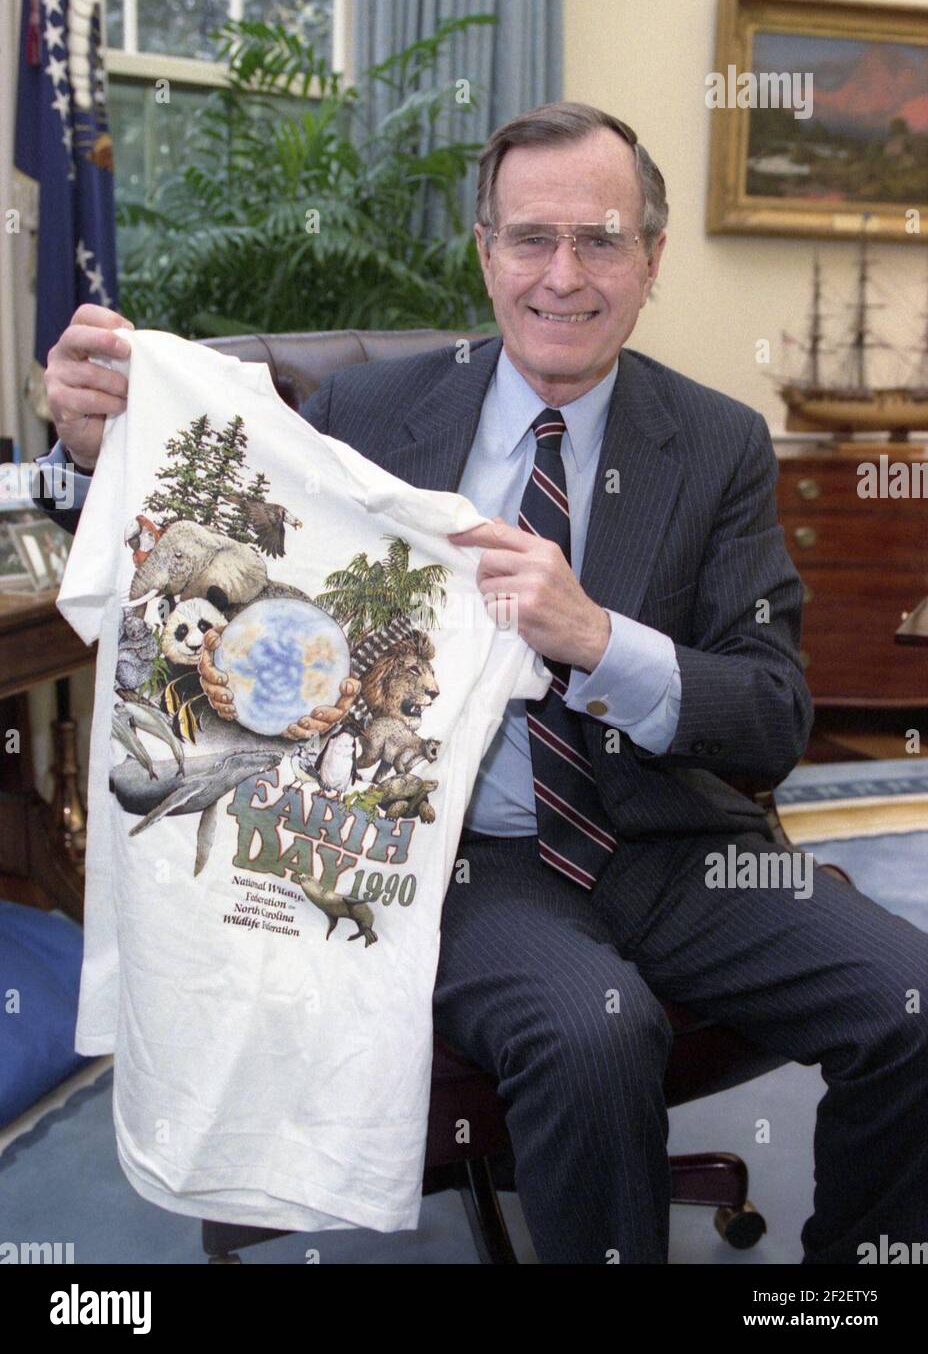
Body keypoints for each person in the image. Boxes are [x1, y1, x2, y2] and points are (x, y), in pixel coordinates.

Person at [37, 101, 928, 1265]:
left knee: (910, 1003)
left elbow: (770, 717)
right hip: (457, 857)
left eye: (601, 240)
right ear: (484, 250)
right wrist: (92, 448)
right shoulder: (367, 417)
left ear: (652, 260)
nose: (563, 276)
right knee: (592, 1031)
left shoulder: (715, 443)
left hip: (677, 844)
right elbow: (211, 539)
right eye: (531, 238)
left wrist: (599, 638)